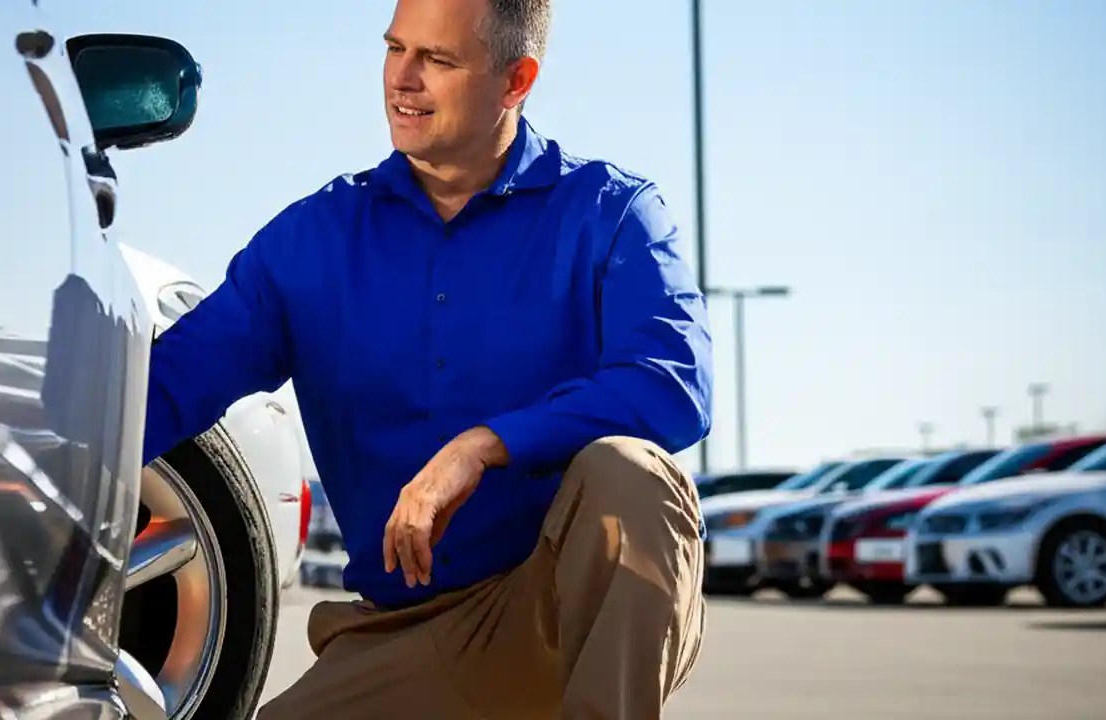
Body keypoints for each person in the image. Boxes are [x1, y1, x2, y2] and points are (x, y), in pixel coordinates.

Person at [141, 0, 714, 716]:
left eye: (437, 60)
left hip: (559, 611)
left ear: (516, 80)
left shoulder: (611, 212)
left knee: (632, 475)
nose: (402, 80)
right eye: (395, 49)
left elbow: (674, 384)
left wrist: (485, 445)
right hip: (406, 635)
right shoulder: (314, 242)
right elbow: (169, 389)